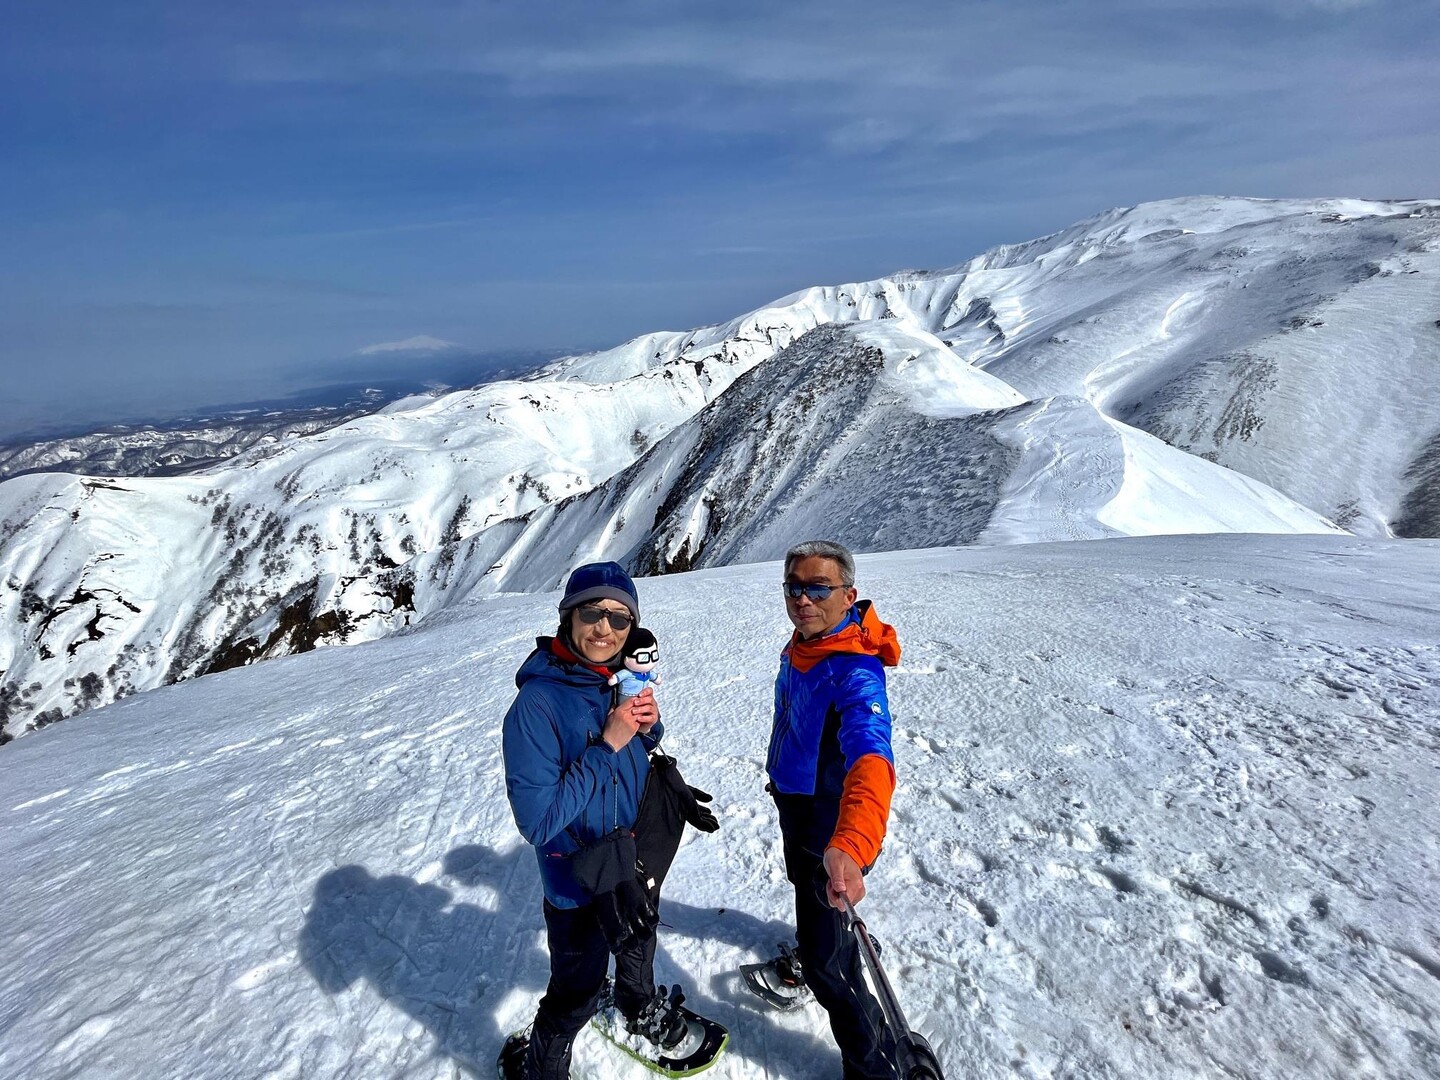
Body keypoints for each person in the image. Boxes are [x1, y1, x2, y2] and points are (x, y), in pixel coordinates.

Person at [499, 561, 686, 1079]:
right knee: (575, 988)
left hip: (625, 858)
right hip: (576, 880)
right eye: (592, 612)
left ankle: (635, 1001)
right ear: (568, 617)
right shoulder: (537, 705)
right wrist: (609, 743)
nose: (605, 628)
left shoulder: (612, 683)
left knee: (637, 938)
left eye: (620, 619)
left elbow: (625, 760)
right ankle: (543, 1065)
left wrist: (646, 729)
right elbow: (537, 822)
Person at [769, 540, 902, 1079]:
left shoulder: (853, 670)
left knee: (830, 968)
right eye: (795, 587)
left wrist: (851, 844)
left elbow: (871, 756)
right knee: (805, 891)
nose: (803, 599)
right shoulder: (809, 643)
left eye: (818, 588)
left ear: (849, 595)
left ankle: (877, 1066)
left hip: (831, 828)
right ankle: (821, 939)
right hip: (798, 805)